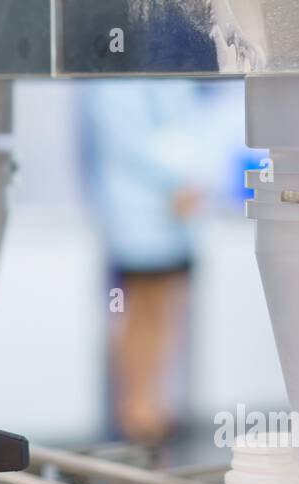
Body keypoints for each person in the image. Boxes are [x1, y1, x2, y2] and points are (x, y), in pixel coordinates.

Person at [80, 79, 221, 444]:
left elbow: (195, 131)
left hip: (176, 215)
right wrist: (180, 178)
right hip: (139, 215)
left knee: (165, 307)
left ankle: (153, 402)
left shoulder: (171, 78)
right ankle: (135, 406)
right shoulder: (110, 85)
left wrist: (193, 180)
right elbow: (128, 142)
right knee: (138, 309)